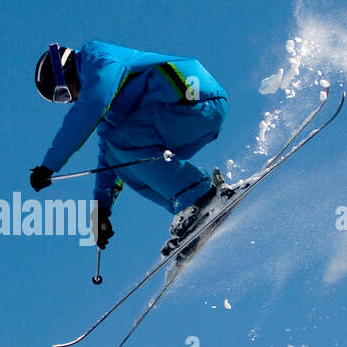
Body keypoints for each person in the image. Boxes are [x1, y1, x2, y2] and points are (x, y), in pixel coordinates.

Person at [30, 41, 229, 254]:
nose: (70, 101)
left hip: (192, 98)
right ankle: (190, 207)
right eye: (62, 100)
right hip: (180, 118)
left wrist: (49, 165)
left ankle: (201, 197)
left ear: (66, 70)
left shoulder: (97, 59)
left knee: (120, 141)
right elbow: (109, 155)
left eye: (64, 94)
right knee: (119, 159)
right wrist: (102, 209)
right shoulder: (109, 107)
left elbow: (90, 106)